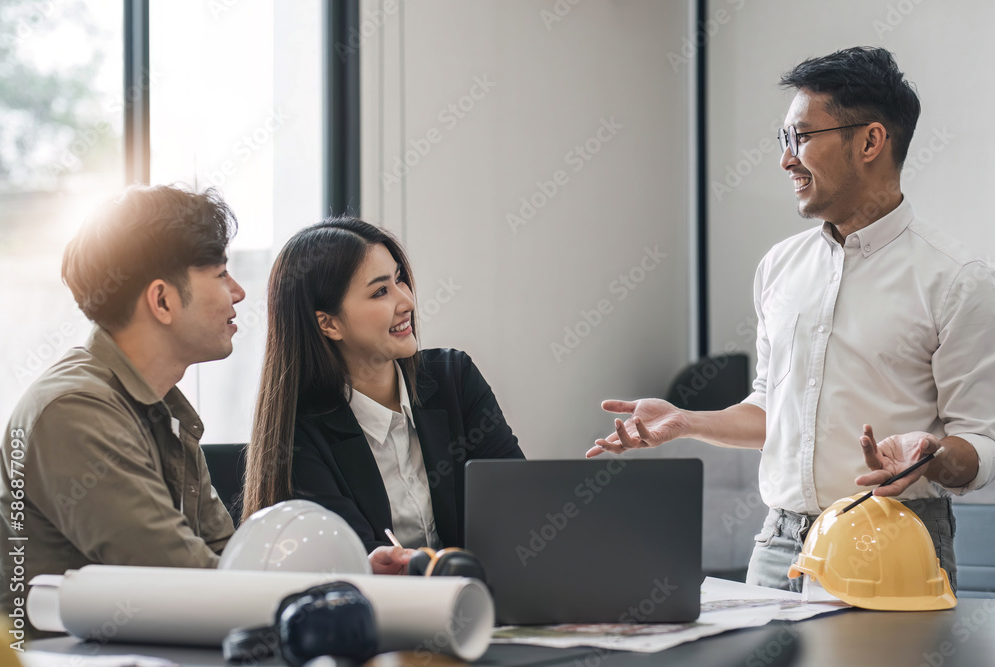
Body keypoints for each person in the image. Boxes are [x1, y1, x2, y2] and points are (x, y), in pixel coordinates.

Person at [589, 47, 995, 592]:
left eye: (801, 137)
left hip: (893, 541)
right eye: (784, 139)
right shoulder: (779, 266)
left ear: (870, 142)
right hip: (778, 545)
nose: (786, 159)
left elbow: (981, 444)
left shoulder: (957, 279)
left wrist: (929, 457)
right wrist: (686, 421)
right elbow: (771, 409)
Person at [0, 187, 409, 623]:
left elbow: (228, 564)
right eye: (221, 274)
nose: (238, 292)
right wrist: (330, 593)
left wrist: (349, 576)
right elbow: (187, 582)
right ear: (162, 300)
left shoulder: (163, 407)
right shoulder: (75, 412)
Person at [242, 218, 524, 553]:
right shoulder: (301, 435)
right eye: (380, 292)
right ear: (329, 324)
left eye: (399, 279)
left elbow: (519, 501)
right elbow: (354, 555)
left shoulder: (454, 378)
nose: (407, 302)